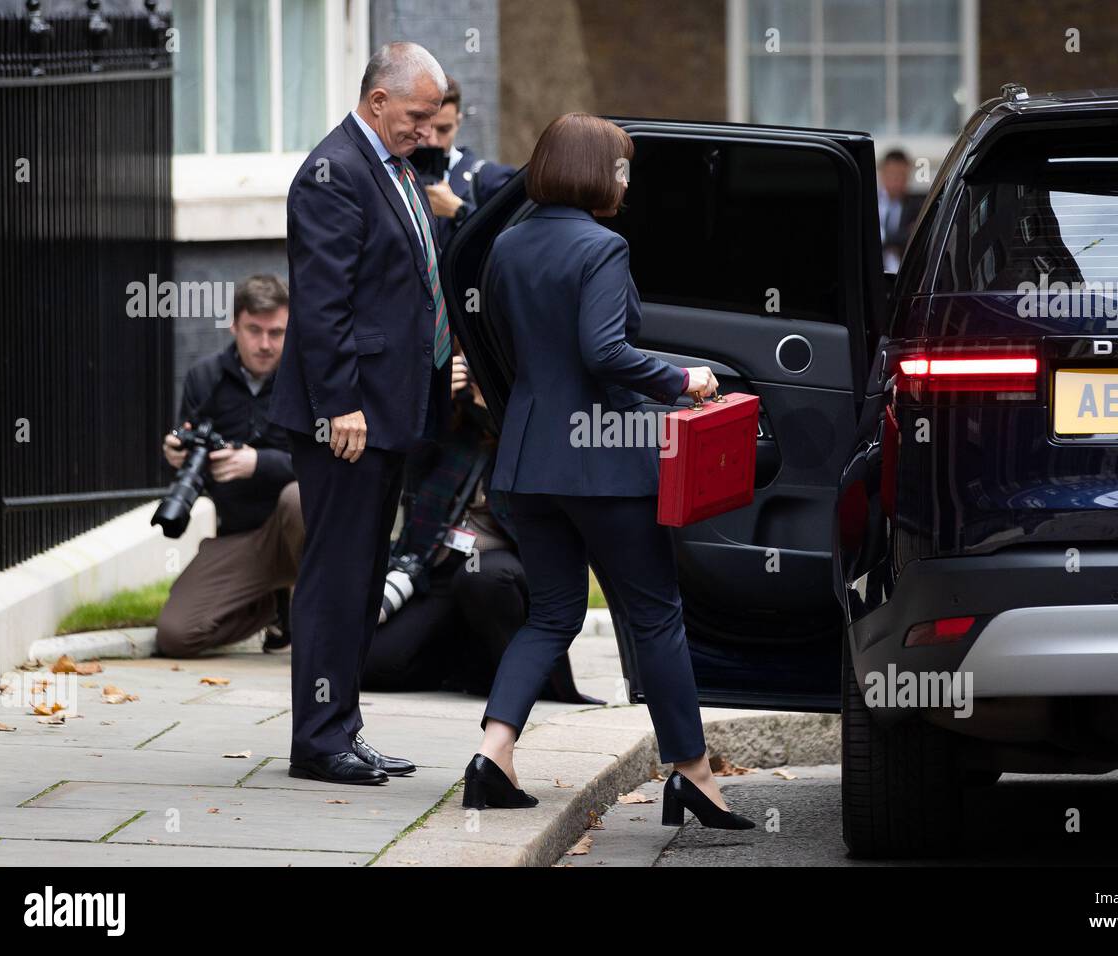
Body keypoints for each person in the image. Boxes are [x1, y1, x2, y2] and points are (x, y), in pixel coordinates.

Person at [461, 112, 755, 830]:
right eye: (621, 168)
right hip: (603, 464)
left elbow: (505, 351)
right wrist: (685, 381)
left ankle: (493, 755)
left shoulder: (507, 245)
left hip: (529, 461)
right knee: (657, 617)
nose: (626, 181)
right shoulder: (603, 248)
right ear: (591, 170)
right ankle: (693, 774)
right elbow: (603, 351)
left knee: (554, 613)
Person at [268, 41, 452, 786]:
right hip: (346, 418)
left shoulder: (390, 166)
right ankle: (318, 739)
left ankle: (343, 725)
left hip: (384, 411)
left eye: (435, 119)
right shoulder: (333, 173)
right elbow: (321, 304)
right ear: (378, 101)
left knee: (362, 572)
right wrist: (340, 403)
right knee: (335, 578)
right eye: (416, 116)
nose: (428, 131)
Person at [362, 355, 602, 706]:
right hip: (439, 563)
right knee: (370, 664)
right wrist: (435, 403)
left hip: (502, 563)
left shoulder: (531, 417)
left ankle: (520, 683)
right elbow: (409, 467)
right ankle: (464, 666)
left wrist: (492, 412)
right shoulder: (450, 417)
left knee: (482, 578)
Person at [155, 275, 300, 658]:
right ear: (234, 325)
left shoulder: (308, 380)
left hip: (303, 532)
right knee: (176, 635)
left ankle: (314, 612)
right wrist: (178, 456)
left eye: (277, 332)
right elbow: (196, 466)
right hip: (241, 538)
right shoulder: (205, 378)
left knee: (298, 497)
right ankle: (270, 607)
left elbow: (327, 467)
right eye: (254, 330)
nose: (265, 344)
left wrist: (259, 463)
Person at [421, 75, 515, 248]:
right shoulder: (392, 173)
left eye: (443, 129)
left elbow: (513, 241)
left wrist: (460, 211)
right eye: (426, 127)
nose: (432, 140)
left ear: (458, 122)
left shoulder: (486, 178)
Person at [876, 148, 925, 273]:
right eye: (892, 175)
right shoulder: (868, 201)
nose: (896, 182)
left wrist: (884, 239)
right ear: (882, 174)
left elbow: (913, 239)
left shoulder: (917, 207)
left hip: (902, 274)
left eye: (901, 176)